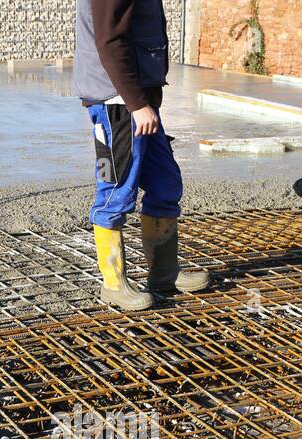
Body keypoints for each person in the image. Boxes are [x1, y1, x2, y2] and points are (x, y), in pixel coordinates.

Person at [73, 0, 210, 311]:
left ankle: (164, 273)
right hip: (118, 102)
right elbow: (108, 40)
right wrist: (136, 104)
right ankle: (113, 285)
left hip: (137, 98)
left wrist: (145, 100)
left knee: (165, 183)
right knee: (117, 189)